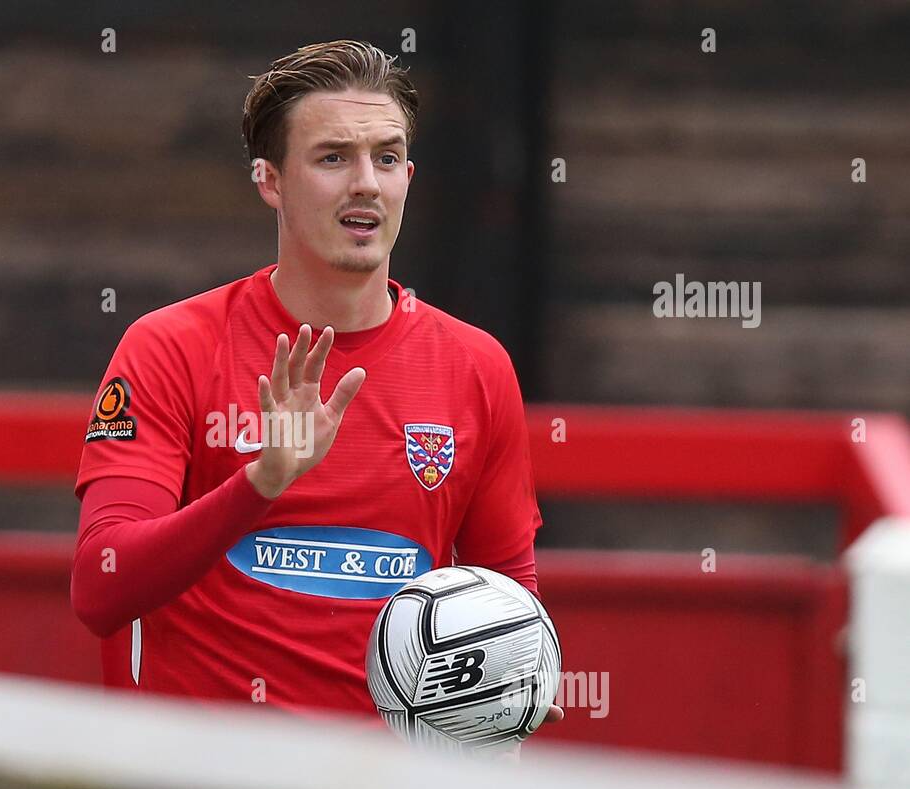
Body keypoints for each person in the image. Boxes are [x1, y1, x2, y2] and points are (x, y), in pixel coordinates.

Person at [71, 39, 561, 729]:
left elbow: (507, 599)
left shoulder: (476, 367)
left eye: (386, 158)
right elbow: (101, 587)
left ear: (408, 178)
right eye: (333, 157)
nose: (366, 182)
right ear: (270, 180)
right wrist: (259, 484)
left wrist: (518, 692)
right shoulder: (171, 347)